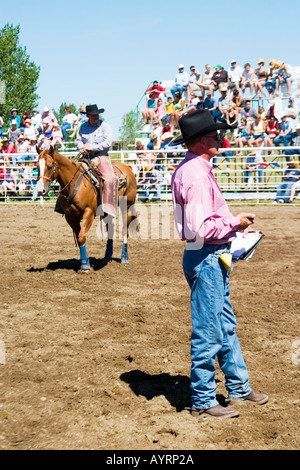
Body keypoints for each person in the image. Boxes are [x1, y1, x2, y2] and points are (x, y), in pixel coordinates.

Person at [170, 109, 268, 419]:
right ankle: (202, 399)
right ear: (200, 141)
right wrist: (235, 224)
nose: (220, 139)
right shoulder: (196, 174)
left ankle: (238, 387)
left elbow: (208, 219)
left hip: (210, 255)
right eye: (215, 135)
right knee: (210, 330)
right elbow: (201, 227)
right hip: (207, 256)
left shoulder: (196, 168)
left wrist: (233, 222)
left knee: (223, 324)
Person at [76, 104, 118, 218]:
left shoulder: (105, 126)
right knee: (70, 174)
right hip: (85, 156)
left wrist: (91, 147)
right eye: (93, 115)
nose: (96, 117)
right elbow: (78, 140)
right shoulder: (83, 127)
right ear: (88, 116)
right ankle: (62, 205)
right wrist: (81, 147)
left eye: (97, 115)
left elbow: (107, 142)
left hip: (101, 156)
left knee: (109, 179)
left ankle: (108, 208)